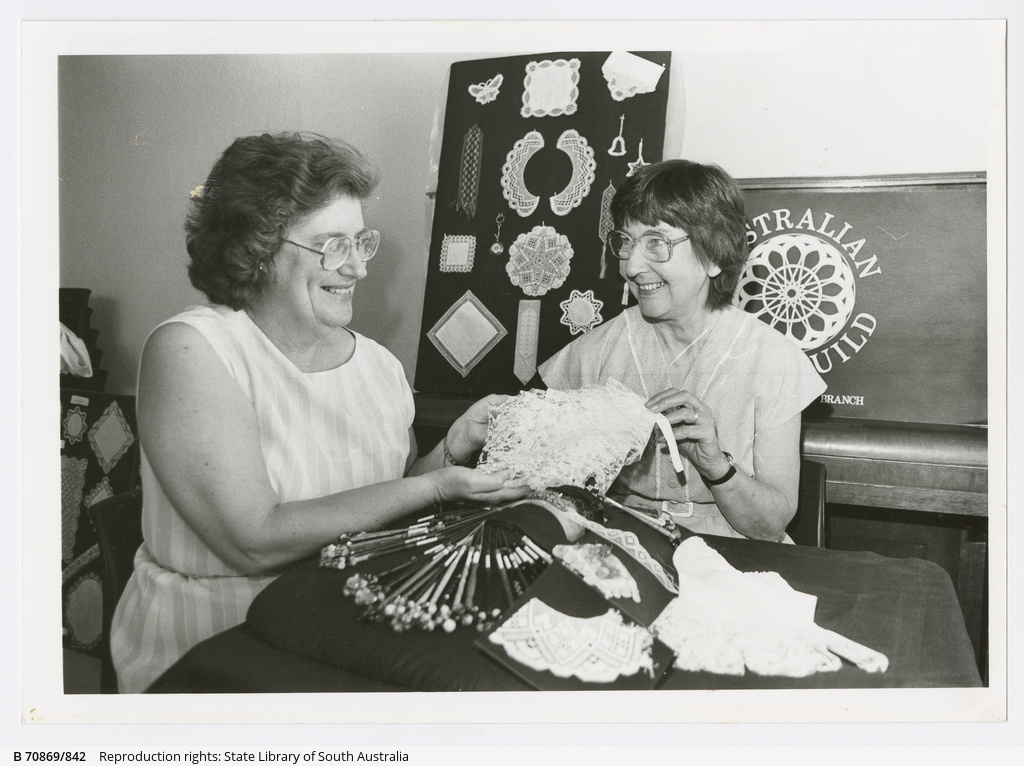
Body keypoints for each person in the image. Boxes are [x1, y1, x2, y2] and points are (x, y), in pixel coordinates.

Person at [110, 132, 526, 693]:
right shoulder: (193, 350)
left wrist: (449, 449)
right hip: (213, 650)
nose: (356, 267)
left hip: (340, 627)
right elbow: (254, 539)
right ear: (255, 249)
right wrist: (438, 488)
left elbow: (382, 499)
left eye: (361, 242)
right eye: (332, 244)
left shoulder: (378, 365)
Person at [539, 159, 826, 542]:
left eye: (656, 243)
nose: (632, 265)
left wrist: (715, 465)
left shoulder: (773, 360)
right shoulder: (592, 352)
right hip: (619, 549)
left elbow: (769, 526)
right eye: (626, 241)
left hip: (734, 557)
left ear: (713, 256)